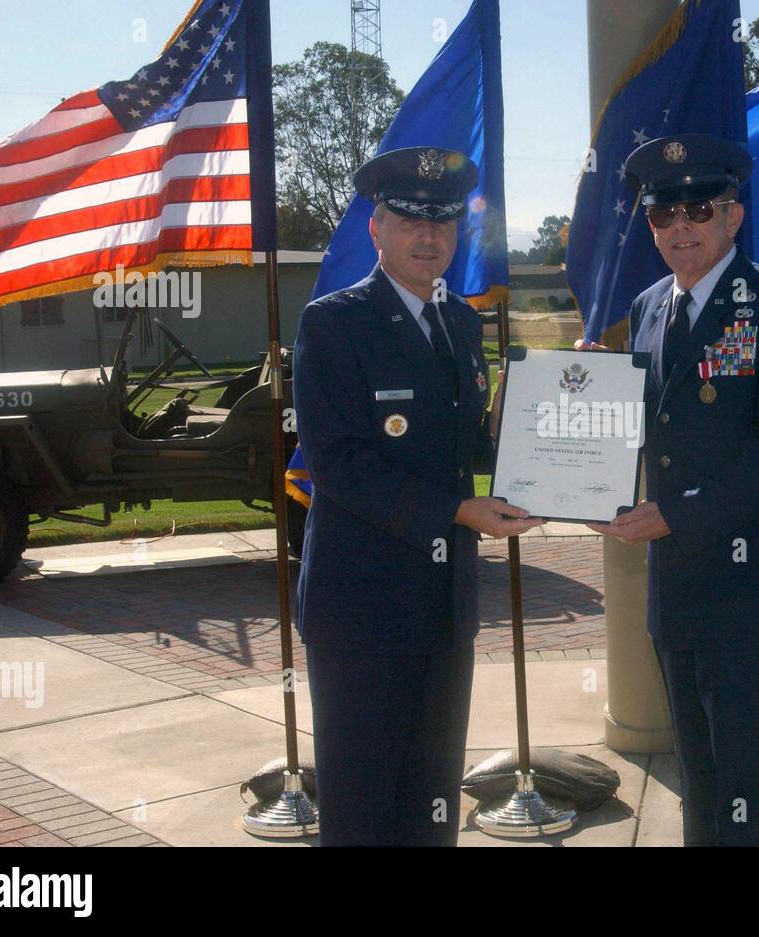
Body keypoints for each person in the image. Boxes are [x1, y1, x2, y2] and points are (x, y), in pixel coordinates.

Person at [292, 146, 541, 846]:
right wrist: (459, 510)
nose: (429, 235)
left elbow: (464, 451)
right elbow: (338, 465)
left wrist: (545, 434)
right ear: (377, 227)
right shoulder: (333, 325)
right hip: (362, 611)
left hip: (442, 605)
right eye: (410, 219)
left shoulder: (460, 324)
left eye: (444, 220)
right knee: (365, 805)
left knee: (431, 803)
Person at [585, 133, 759, 846]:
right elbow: (642, 422)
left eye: (698, 209)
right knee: (702, 787)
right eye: (663, 215)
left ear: (733, 216)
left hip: (755, 599)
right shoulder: (651, 306)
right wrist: (581, 388)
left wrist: (678, 516)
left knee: (753, 791)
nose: (680, 228)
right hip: (679, 594)